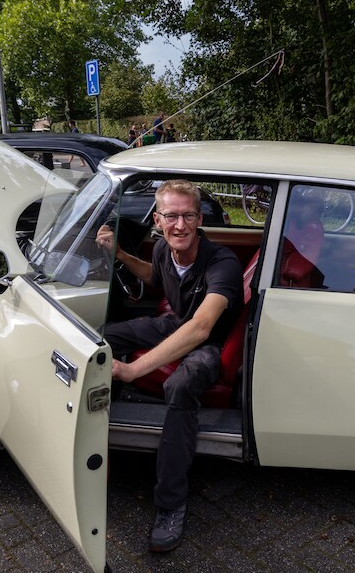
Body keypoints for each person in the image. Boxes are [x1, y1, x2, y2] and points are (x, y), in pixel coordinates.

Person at [95, 179, 244, 553]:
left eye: (188, 215)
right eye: (172, 216)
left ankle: (170, 503)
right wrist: (120, 254)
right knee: (99, 339)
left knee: (178, 386)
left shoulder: (221, 261)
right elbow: (154, 277)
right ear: (158, 220)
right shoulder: (164, 249)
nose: (180, 225)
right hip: (174, 322)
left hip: (211, 344)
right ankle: (94, 429)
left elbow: (201, 327)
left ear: (199, 217)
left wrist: (131, 371)